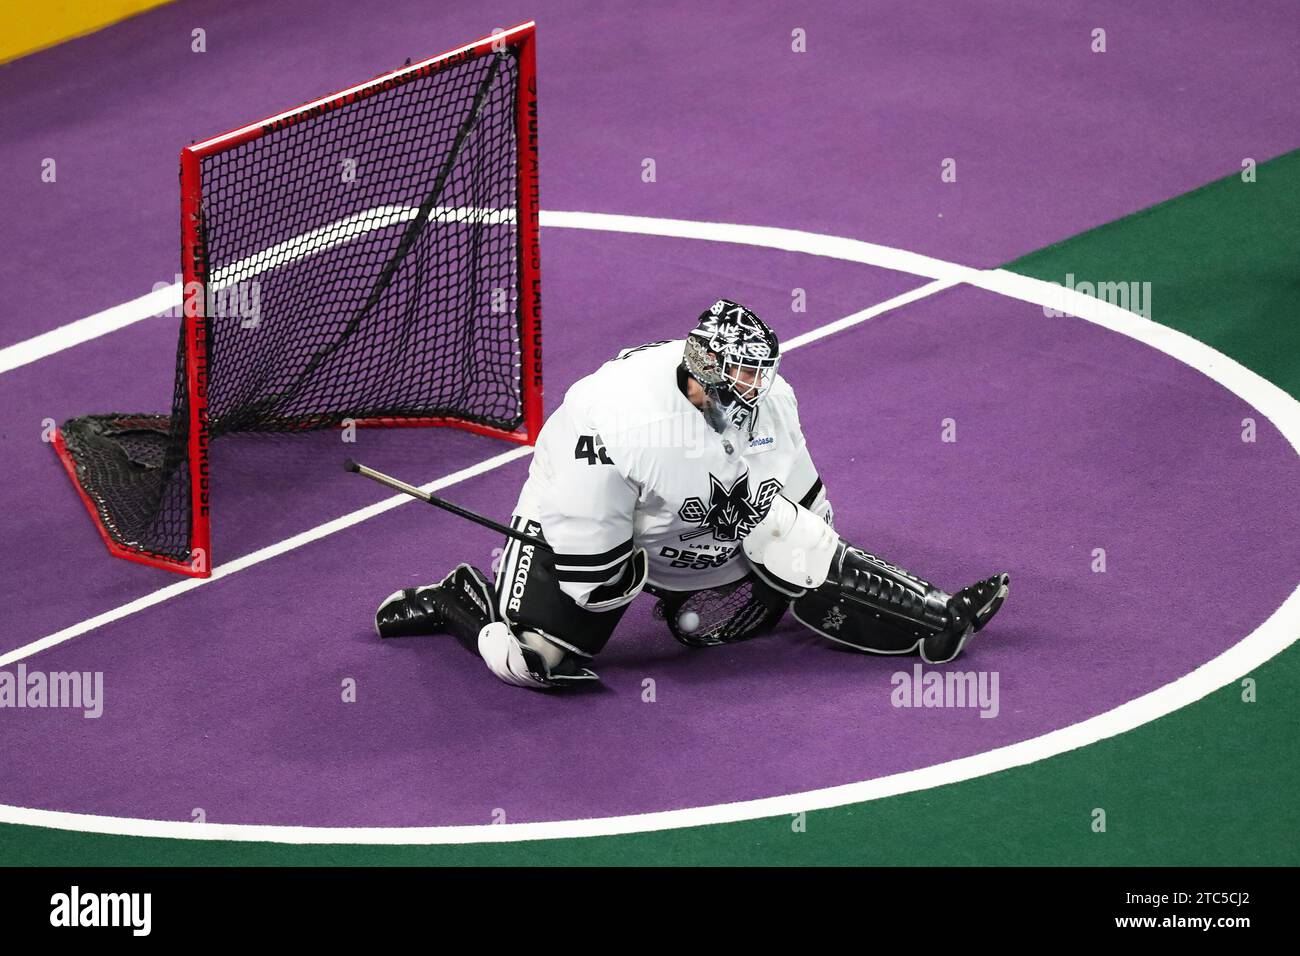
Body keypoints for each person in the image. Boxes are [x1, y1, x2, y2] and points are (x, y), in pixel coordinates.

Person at [374, 299, 1008, 688]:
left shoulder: (768, 400)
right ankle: (461, 603)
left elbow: (806, 506)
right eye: (744, 371)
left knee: (799, 543)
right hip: (594, 526)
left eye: (762, 371)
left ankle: (935, 618)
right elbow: (587, 549)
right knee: (536, 664)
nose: (759, 385)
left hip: (696, 521)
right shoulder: (616, 415)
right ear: (704, 367)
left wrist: (795, 556)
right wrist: (615, 574)